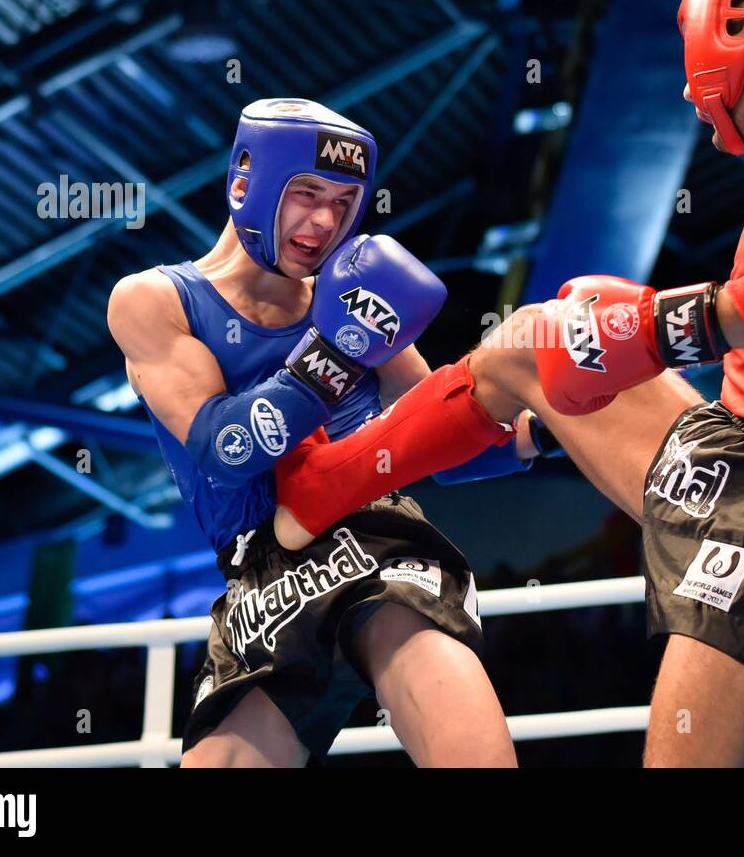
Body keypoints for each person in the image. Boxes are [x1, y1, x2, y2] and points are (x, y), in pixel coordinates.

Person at [275, 0, 744, 767]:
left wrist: (659, 328)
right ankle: (325, 487)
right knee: (540, 334)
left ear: (736, 26)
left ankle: (421, 459)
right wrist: (623, 331)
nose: (695, 97)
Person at [108, 98, 543, 767]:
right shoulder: (156, 300)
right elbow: (227, 450)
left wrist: (555, 425)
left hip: (374, 542)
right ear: (247, 181)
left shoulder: (350, 300)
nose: (324, 221)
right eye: (306, 193)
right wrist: (338, 349)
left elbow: (444, 442)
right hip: (259, 578)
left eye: (343, 202)